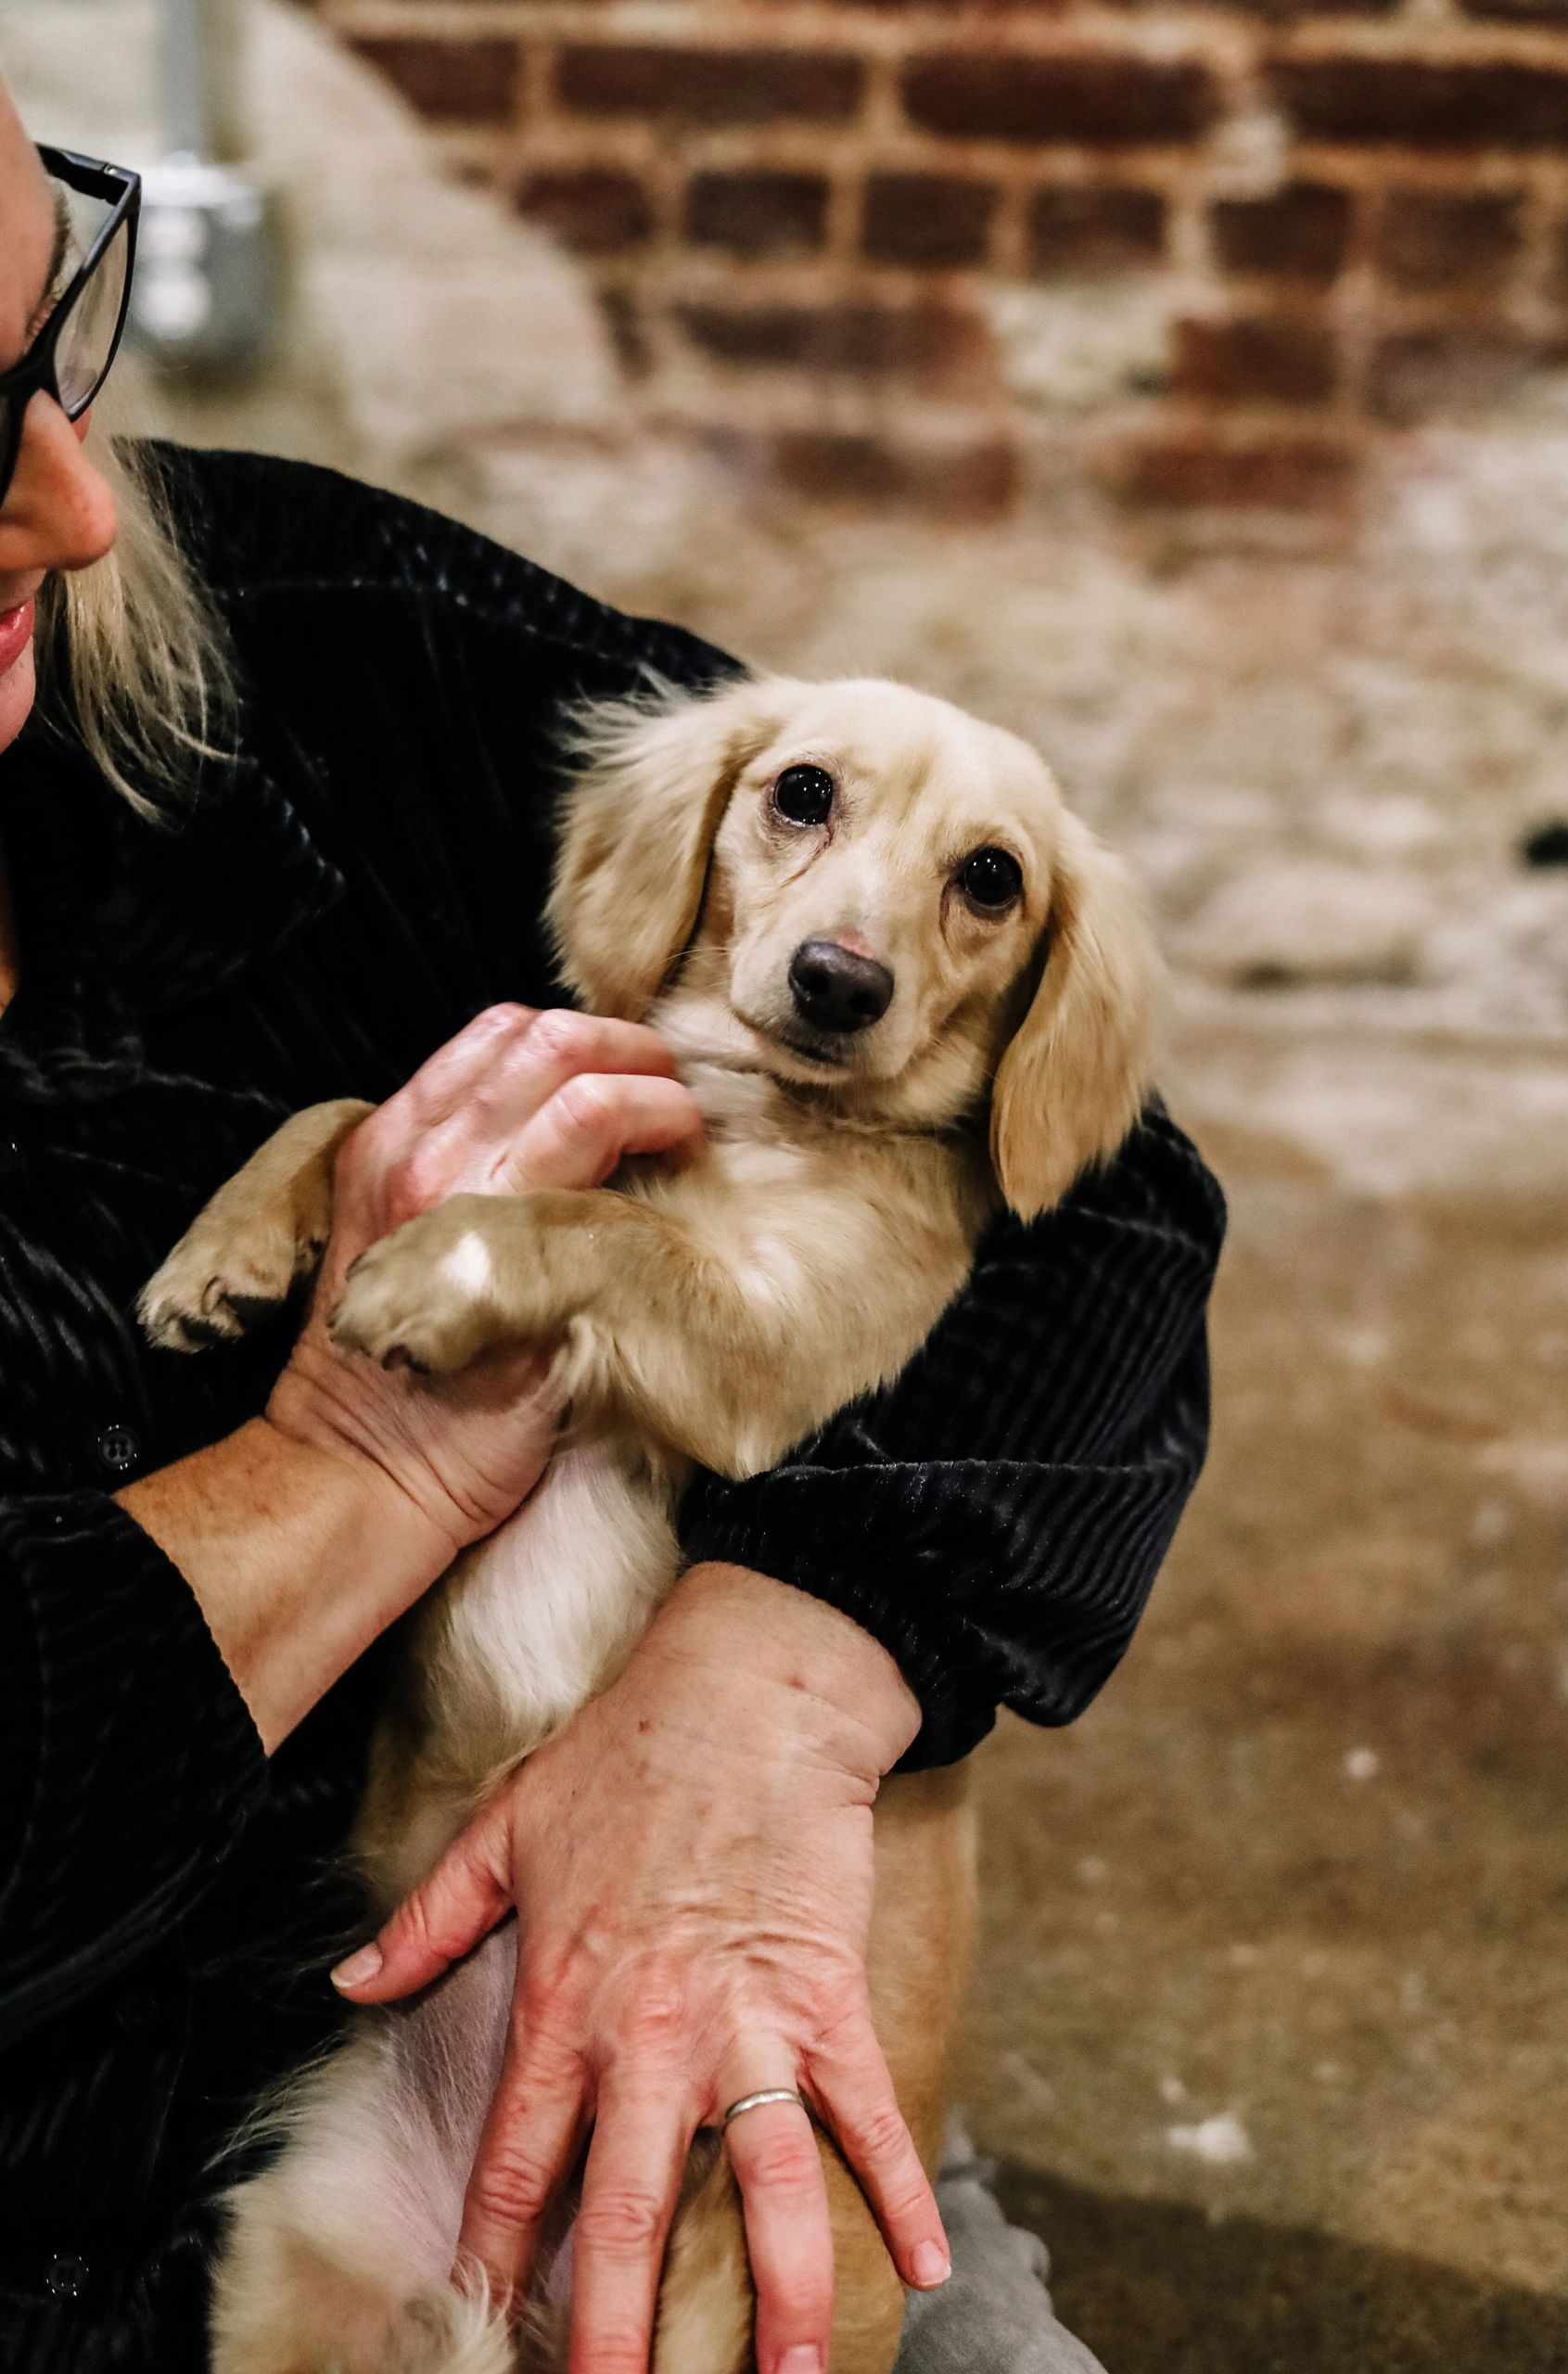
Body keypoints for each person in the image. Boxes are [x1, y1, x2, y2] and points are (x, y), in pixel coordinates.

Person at [0, 101, 1225, 2374]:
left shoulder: (321, 638)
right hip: (224, 2147)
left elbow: (1110, 1196)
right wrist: (349, 1471)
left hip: (703, 2043)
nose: (82, 500)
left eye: (49, 332)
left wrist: (780, 1665)